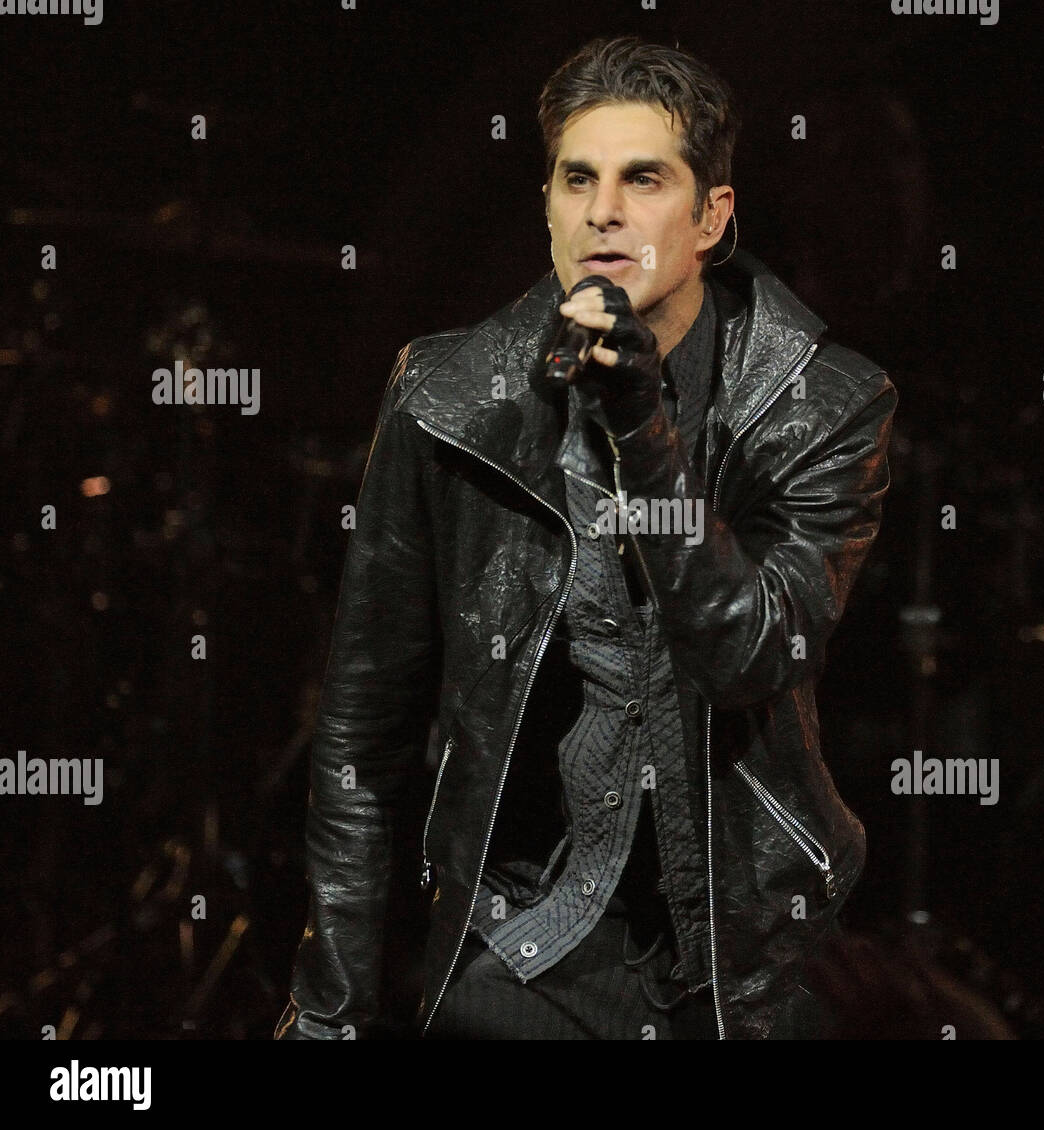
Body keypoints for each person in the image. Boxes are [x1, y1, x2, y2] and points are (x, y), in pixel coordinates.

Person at [275, 33, 897, 1041]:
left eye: (642, 177)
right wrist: (330, 1007)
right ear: (549, 208)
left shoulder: (822, 405)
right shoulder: (445, 398)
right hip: (524, 942)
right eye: (577, 178)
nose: (603, 209)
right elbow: (362, 722)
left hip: (741, 957)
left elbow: (751, 653)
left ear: (711, 219)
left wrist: (642, 432)